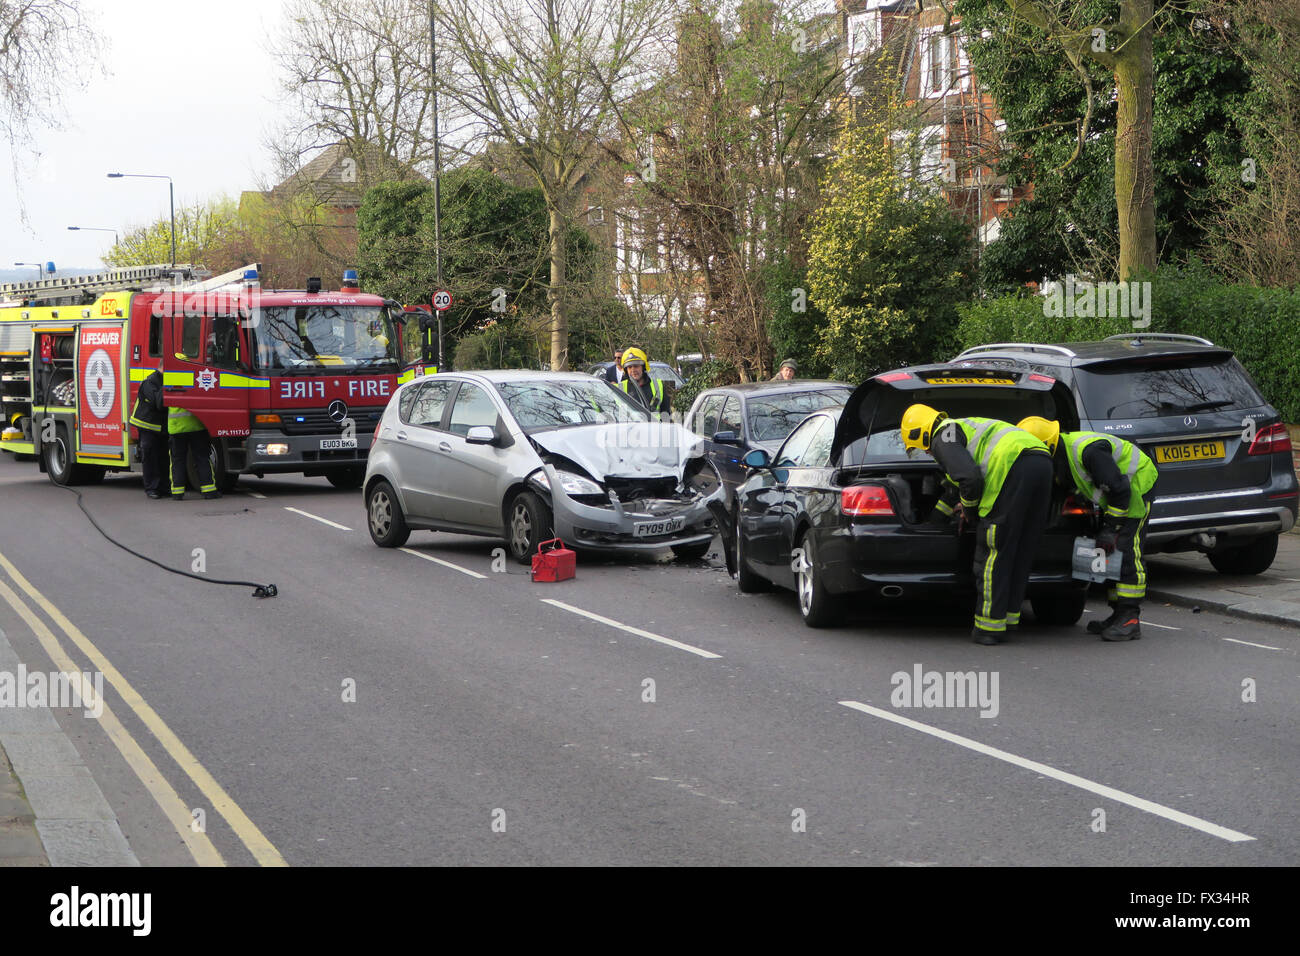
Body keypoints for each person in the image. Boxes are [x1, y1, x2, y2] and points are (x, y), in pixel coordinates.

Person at [901, 404, 1053, 645]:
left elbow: (970, 478)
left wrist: (970, 511)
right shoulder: (963, 430)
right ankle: (1008, 620)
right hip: (1041, 460)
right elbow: (955, 490)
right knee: (1020, 548)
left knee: (994, 548)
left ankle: (989, 629)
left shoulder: (943, 435)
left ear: (920, 433)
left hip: (1013, 464)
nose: (928, 454)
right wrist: (937, 520)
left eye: (922, 448)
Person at [1018, 416, 1159, 641]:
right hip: (1116, 494)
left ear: (1047, 446)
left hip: (1135, 488)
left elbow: (1120, 490)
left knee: (1126, 551)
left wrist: (1111, 528)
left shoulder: (1089, 452)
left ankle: (1130, 618)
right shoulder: (1062, 457)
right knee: (1109, 555)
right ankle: (1118, 614)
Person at [129, 363, 168, 499]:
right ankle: (151, 488)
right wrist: (167, 386)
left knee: (163, 457)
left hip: (161, 426)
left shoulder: (160, 380)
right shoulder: (150, 382)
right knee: (150, 457)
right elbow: (158, 403)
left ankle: (163, 487)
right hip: (147, 425)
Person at [168, 403, 220, 501]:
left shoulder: (171, 387)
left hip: (177, 427)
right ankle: (209, 491)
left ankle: (177, 493)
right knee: (202, 459)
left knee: (177, 461)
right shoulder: (194, 386)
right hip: (197, 426)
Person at [618, 347, 671, 418]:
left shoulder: (658, 385)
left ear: (643, 367)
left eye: (636, 366)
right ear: (626, 370)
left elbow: (666, 413)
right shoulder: (619, 388)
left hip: (654, 427)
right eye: (629, 367)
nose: (633, 370)